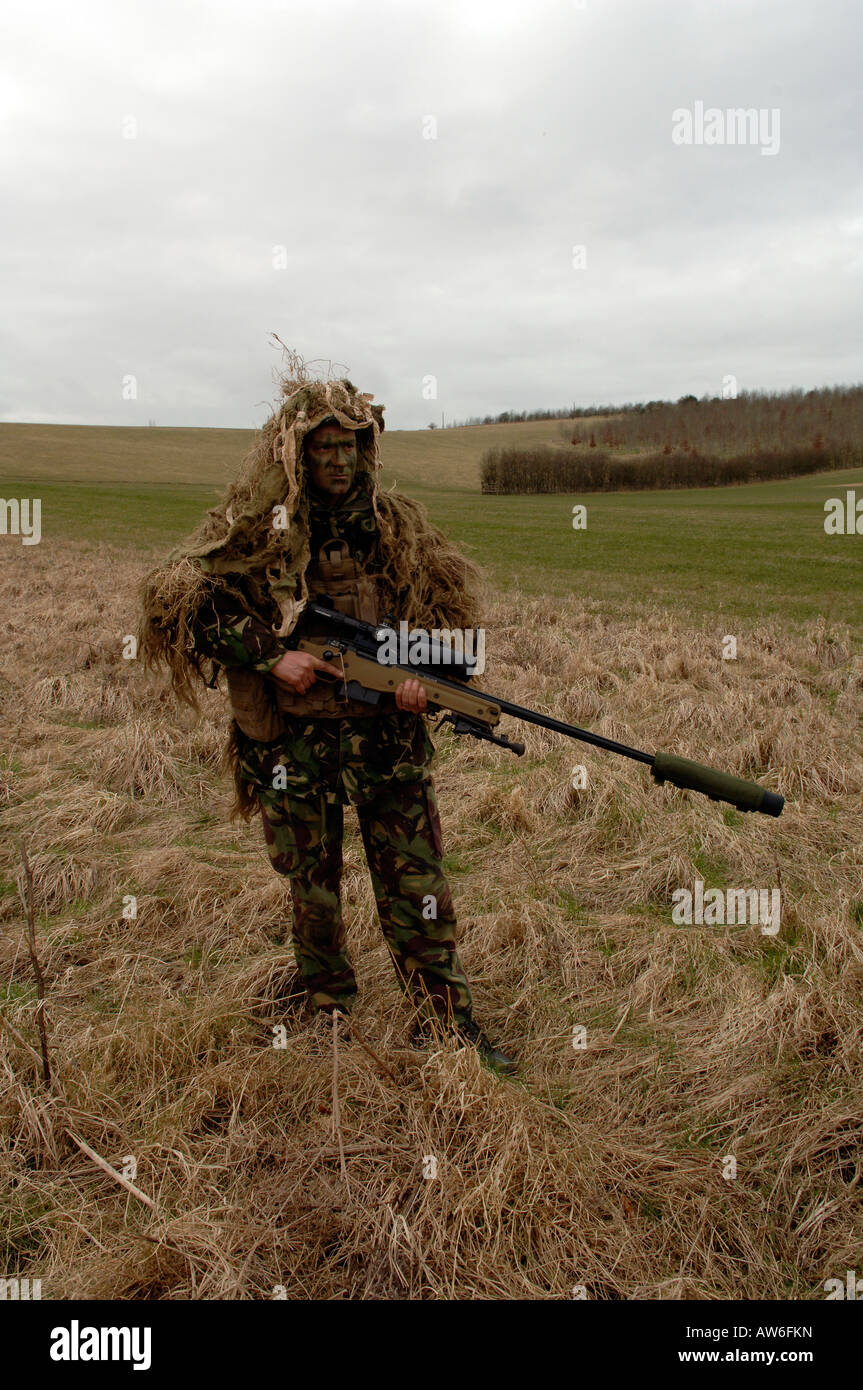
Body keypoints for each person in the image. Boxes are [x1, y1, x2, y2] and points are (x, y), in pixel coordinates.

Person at [140, 368, 515, 1072]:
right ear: (296, 453)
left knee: (417, 884)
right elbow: (186, 603)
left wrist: (422, 685)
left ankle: (447, 1023)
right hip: (295, 746)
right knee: (311, 888)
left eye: (350, 446)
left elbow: (441, 625)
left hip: (385, 742)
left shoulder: (395, 527)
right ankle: (326, 1011)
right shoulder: (257, 530)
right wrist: (271, 656)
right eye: (323, 448)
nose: (338, 461)